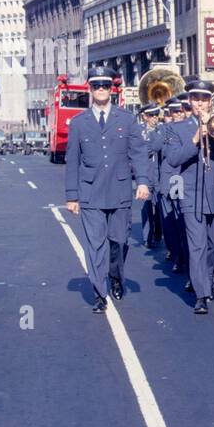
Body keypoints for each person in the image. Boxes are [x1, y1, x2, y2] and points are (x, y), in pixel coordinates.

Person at [63, 67, 151, 312]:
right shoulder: (80, 123)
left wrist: (142, 181)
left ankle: (116, 277)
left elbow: (139, 152)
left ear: (112, 89)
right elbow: (72, 161)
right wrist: (72, 196)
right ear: (90, 89)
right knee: (95, 245)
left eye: (105, 86)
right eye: (96, 86)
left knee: (119, 241)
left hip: (120, 191)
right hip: (90, 193)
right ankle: (100, 292)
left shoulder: (126, 119)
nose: (100, 90)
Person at [160, 80, 214, 314]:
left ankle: (206, 278)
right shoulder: (176, 129)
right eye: (195, 98)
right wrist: (196, 137)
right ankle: (201, 294)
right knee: (196, 245)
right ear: (189, 101)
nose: (199, 103)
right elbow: (173, 159)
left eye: (204, 99)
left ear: (210, 101)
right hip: (191, 193)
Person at [149, 99, 188, 274]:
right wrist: (164, 128)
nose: (178, 115)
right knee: (171, 220)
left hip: (188, 180)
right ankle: (176, 254)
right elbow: (155, 148)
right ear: (169, 114)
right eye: (175, 112)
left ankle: (186, 254)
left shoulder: (190, 128)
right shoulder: (164, 129)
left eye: (181, 111)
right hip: (172, 179)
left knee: (186, 221)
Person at [139, 104, 163, 249]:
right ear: (145, 117)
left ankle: (158, 232)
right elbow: (140, 151)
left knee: (161, 205)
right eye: (151, 115)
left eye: (156, 115)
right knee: (147, 206)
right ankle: (147, 237)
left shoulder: (163, 130)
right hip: (147, 174)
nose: (154, 118)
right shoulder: (139, 131)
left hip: (160, 174)